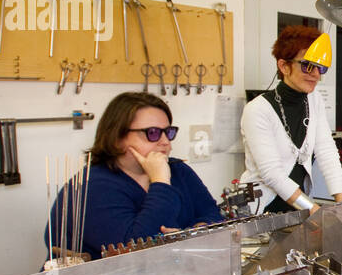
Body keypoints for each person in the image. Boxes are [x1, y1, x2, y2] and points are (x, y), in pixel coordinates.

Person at [44, 92, 222, 261]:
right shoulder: (90, 188)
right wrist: (160, 182)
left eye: (168, 132)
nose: (165, 142)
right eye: (152, 133)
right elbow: (135, 250)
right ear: (117, 138)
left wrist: (194, 233)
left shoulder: (178, 170)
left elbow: (212, 214)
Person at [241, 26, 342, 213]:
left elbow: (327, 152)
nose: (316, 75)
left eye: (320, 67)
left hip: (299, 205)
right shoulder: (257, 110)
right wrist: (314, 210)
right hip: (262, 208)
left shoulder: (314, 100)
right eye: (307, 66)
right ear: (284, 66)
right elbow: (272, 174)